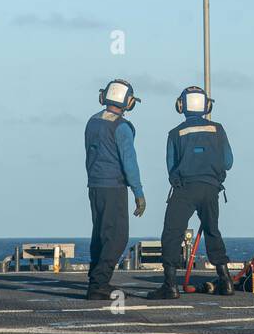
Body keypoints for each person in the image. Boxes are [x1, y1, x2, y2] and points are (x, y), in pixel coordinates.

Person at [148, 86, 235, 298]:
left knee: (172, 233)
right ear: (207, 106)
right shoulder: (218, 129)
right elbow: (228, 162)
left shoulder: (175, 133)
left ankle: (170, 285)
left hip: (184, 190)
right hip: (210, 189)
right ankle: (225, 280)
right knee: (212, 230)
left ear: (181, 106)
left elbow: (171, 166)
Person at [84, 79, 146, 300]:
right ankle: (99, 284)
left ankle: (95, 277)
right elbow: (129, 162)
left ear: (104, 97)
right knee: (118, 237)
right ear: (129, 102)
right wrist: (138, 193)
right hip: (114, 187)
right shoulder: (122, 127)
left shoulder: (92, 122)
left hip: (95, 185)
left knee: (100, 233)